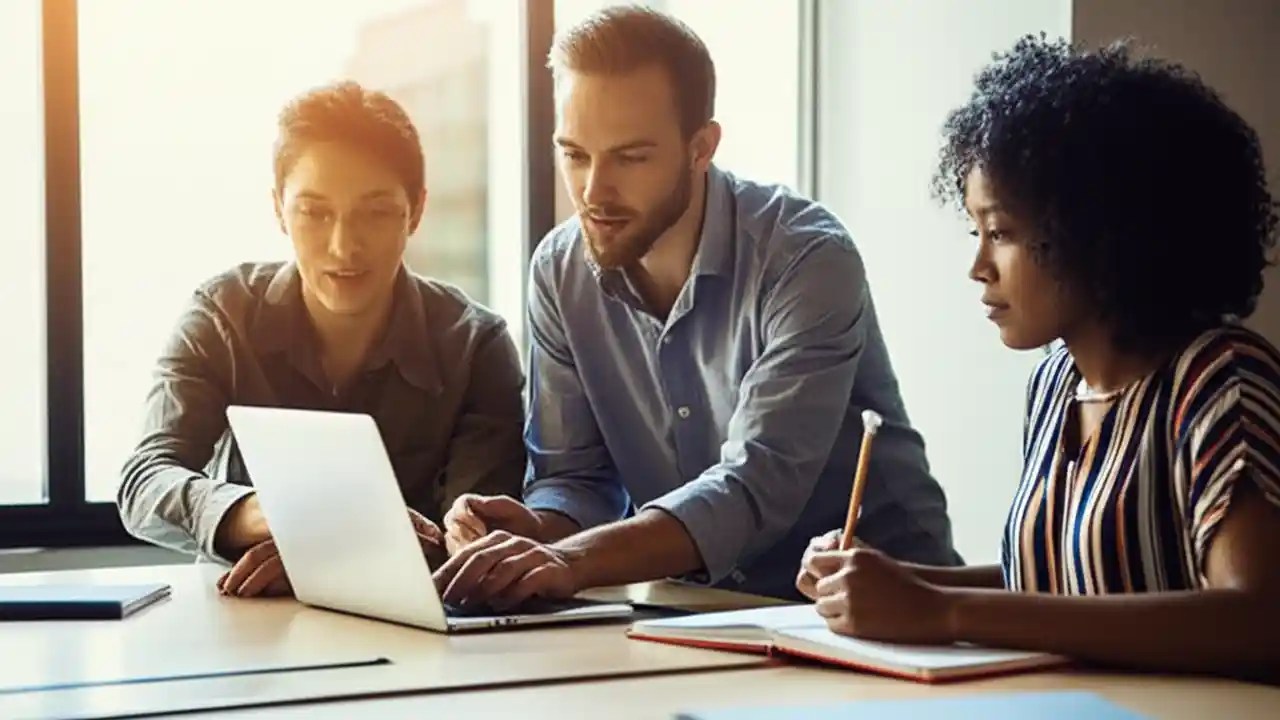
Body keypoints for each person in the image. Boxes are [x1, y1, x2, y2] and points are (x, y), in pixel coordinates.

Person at [434, 5, 959, 608]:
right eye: (575, 154)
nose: (592, 192)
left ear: (701, 147)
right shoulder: (559, 271)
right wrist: (531, 535)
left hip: (882, 618)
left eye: (630, 158)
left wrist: (568, 558)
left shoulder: (807, 259)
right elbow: (575, 481)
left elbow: (754, 489)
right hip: (698, 615)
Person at [798, 35, 1280, 682]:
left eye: (1001, 233)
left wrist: (944, 610)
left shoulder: (1219, 379)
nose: (977, 268)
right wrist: (898, 584)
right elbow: (1062, 580)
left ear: (1101, 231)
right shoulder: (1057, 384)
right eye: (977, 232)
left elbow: (1255, 618)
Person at [117, 81, 526, 598]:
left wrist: (329, 552)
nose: (343, 246)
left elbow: (474, 539)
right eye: (314, 212)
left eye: (375, 212)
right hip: (246, 618)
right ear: (278, 210)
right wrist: (258, 515)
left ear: (416, 211)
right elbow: (143, 481)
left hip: (412, 622)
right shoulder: (224, 314)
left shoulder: (475, 346)